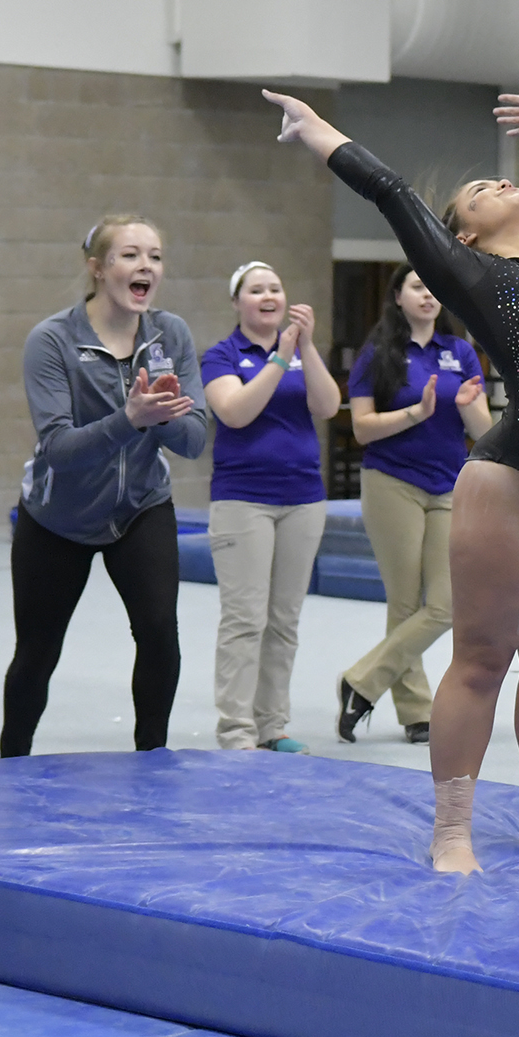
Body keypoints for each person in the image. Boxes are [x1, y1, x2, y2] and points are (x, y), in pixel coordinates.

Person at [264, 85, 519, 874]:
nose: (501, 185)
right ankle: (452, 831)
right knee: (481, 656)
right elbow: (393, 193)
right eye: (479, 191)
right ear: (464, 230)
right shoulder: (471, 270)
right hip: (514, 477)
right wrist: (317, 131)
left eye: (505, 180)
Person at [0, 215, 207, 758]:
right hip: (58, 518)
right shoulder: (53, 341)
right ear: (97, 269)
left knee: (160, 630)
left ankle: (152, 759)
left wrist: (156, 416)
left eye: (156, 256)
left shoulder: (170, 334)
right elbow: (59, 451)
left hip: (140, 507)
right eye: (130, 255)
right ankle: (12, 757)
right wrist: (130, 418)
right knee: (38, 652)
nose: (146, 267)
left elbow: (193, 440)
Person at [336, 265, 492, 745]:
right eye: (417, 287)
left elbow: (484, 434)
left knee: (444, 605)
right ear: (398, 297)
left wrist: (467, 406)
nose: (427, 295)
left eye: (433, 288)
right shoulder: (377, 354)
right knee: (404, 603)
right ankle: (417, 712)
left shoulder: (460, 353)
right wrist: (416, 413)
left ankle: (360, 682)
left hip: (448, 486)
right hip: (392, 483)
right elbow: (361, 428)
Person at [201, 261, 340, 753]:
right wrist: (279, 361)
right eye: (255, 289)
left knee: (284, 620)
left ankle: (273, 725)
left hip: (303, 499)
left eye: (276, 288)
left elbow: (327, 406)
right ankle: (236, 729)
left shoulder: (299, 350)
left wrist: (304, 348)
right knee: (245, 620)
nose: (268, 296)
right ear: (237, 302)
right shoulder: (221, 355)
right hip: (243, 501)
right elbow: (234, 412)